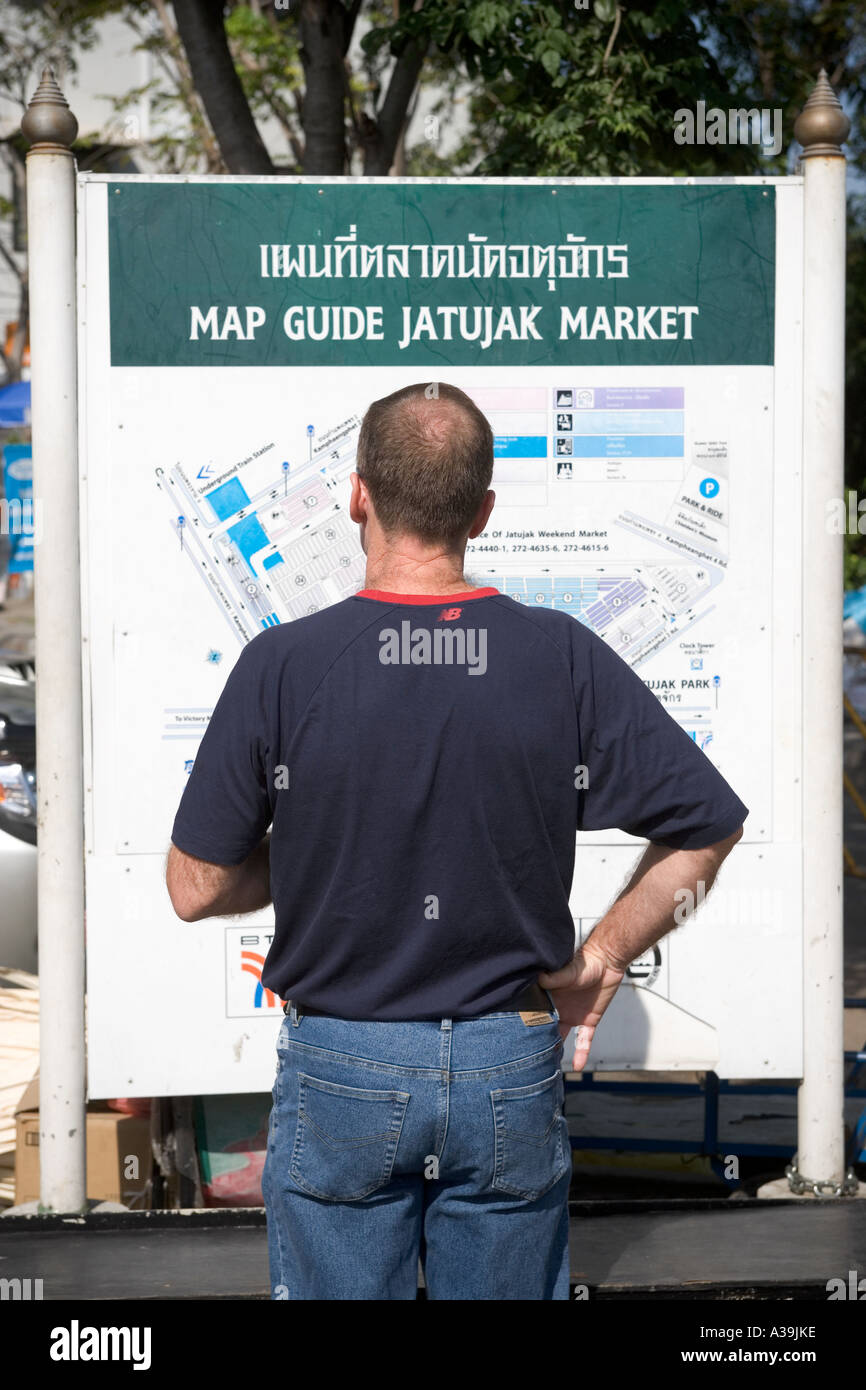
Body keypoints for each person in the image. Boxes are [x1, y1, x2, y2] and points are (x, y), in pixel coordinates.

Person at [166, 381, 747, 1301]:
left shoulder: (283, 665)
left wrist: (318, 846)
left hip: (342, 1061)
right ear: (482, 510)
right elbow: (709, 827)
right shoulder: (560, 655)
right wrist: (601, 957)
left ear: (357, 496)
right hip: (505, 1063)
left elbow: (196, 885)